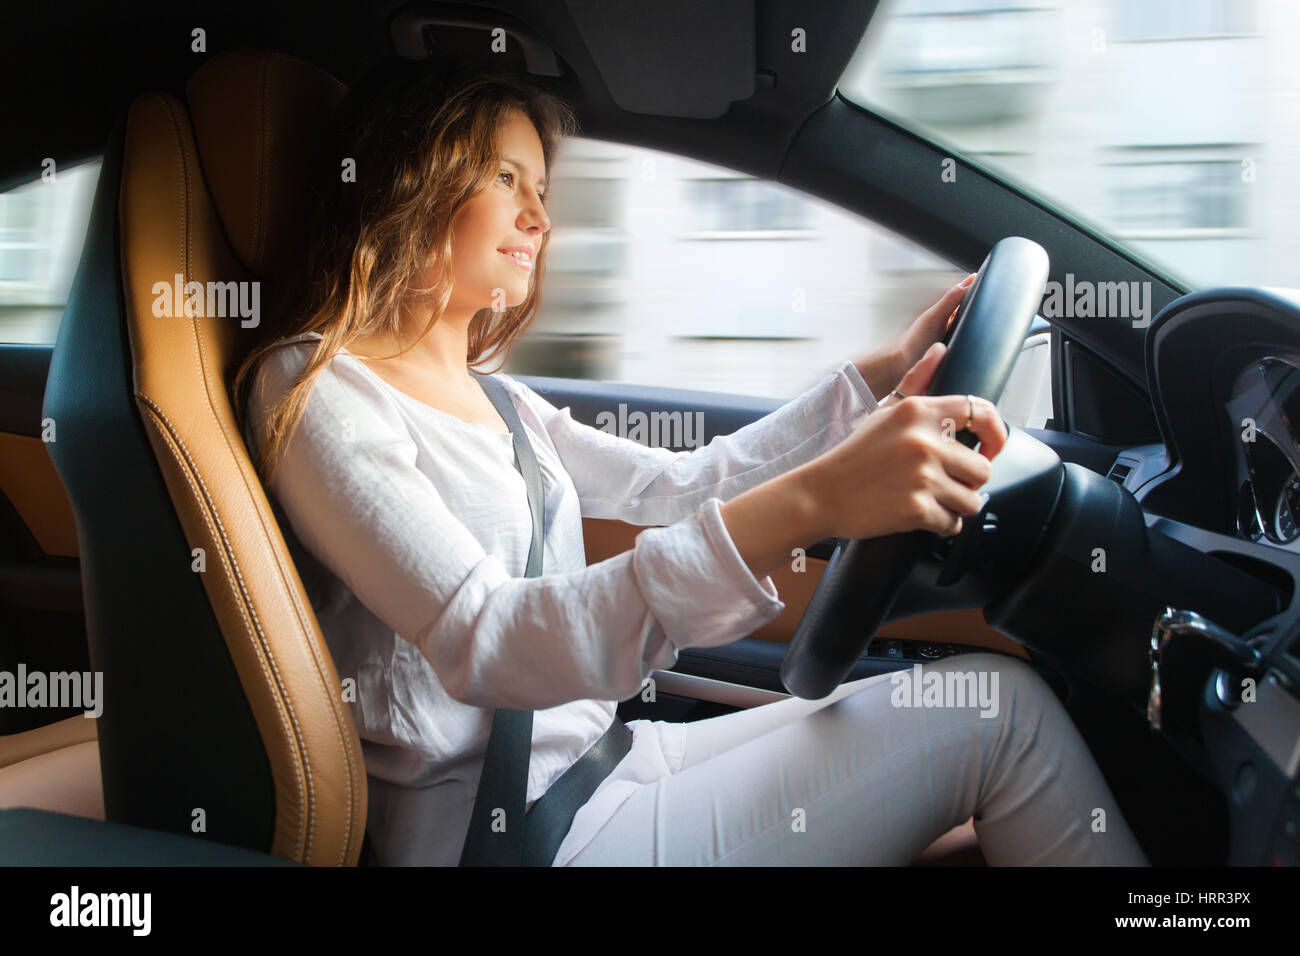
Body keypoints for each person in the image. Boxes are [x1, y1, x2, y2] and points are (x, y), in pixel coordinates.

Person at [232, 59, 1148, 867]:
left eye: (541, 187)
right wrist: (816, 498)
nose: (539, 215)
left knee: (975, 712)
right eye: (505, 177)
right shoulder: (315, 386)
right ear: (411, 178)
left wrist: (872, 386)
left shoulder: (498, 397)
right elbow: (490, 638)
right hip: (508, 839)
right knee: (1002, 719)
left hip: (602, 769)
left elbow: (681, 487)